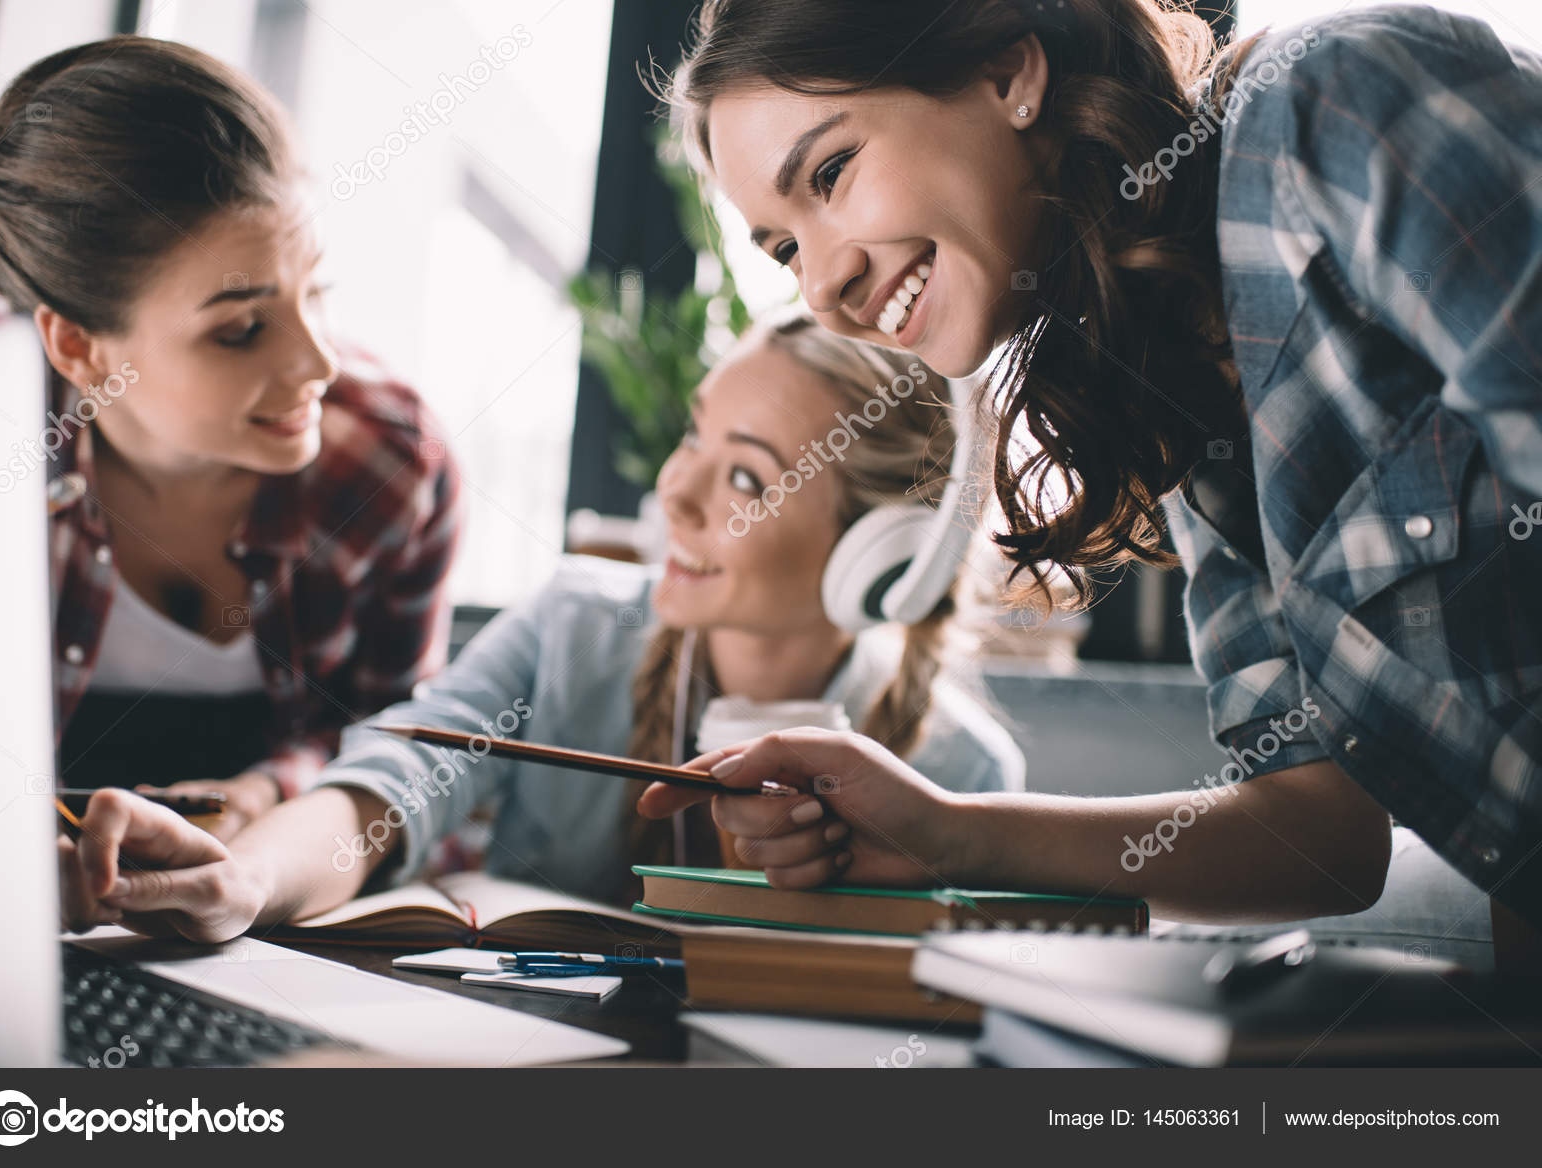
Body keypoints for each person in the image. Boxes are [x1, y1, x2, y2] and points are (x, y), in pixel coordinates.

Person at [638, 0, 1542, 927]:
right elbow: (1323, 836)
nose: (823, 285)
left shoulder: (1336, 103)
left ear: (1007, 75)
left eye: (832, 172)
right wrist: (945, 834)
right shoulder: (1175, 364)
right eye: (787, 248)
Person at [59, 312, 1025, 938]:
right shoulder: (575, 627)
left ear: (879, 560)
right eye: (694, 435)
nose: (674, 491)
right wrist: (245, 880)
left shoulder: (967, 781)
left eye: (745, 476)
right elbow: (397, 778)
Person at [0, 36, 462, 841]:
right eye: (242, 329)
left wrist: (265, 795)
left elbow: (394, 749)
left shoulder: (390, 465)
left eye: (315, 292)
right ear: (78, 346)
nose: (318, 362)